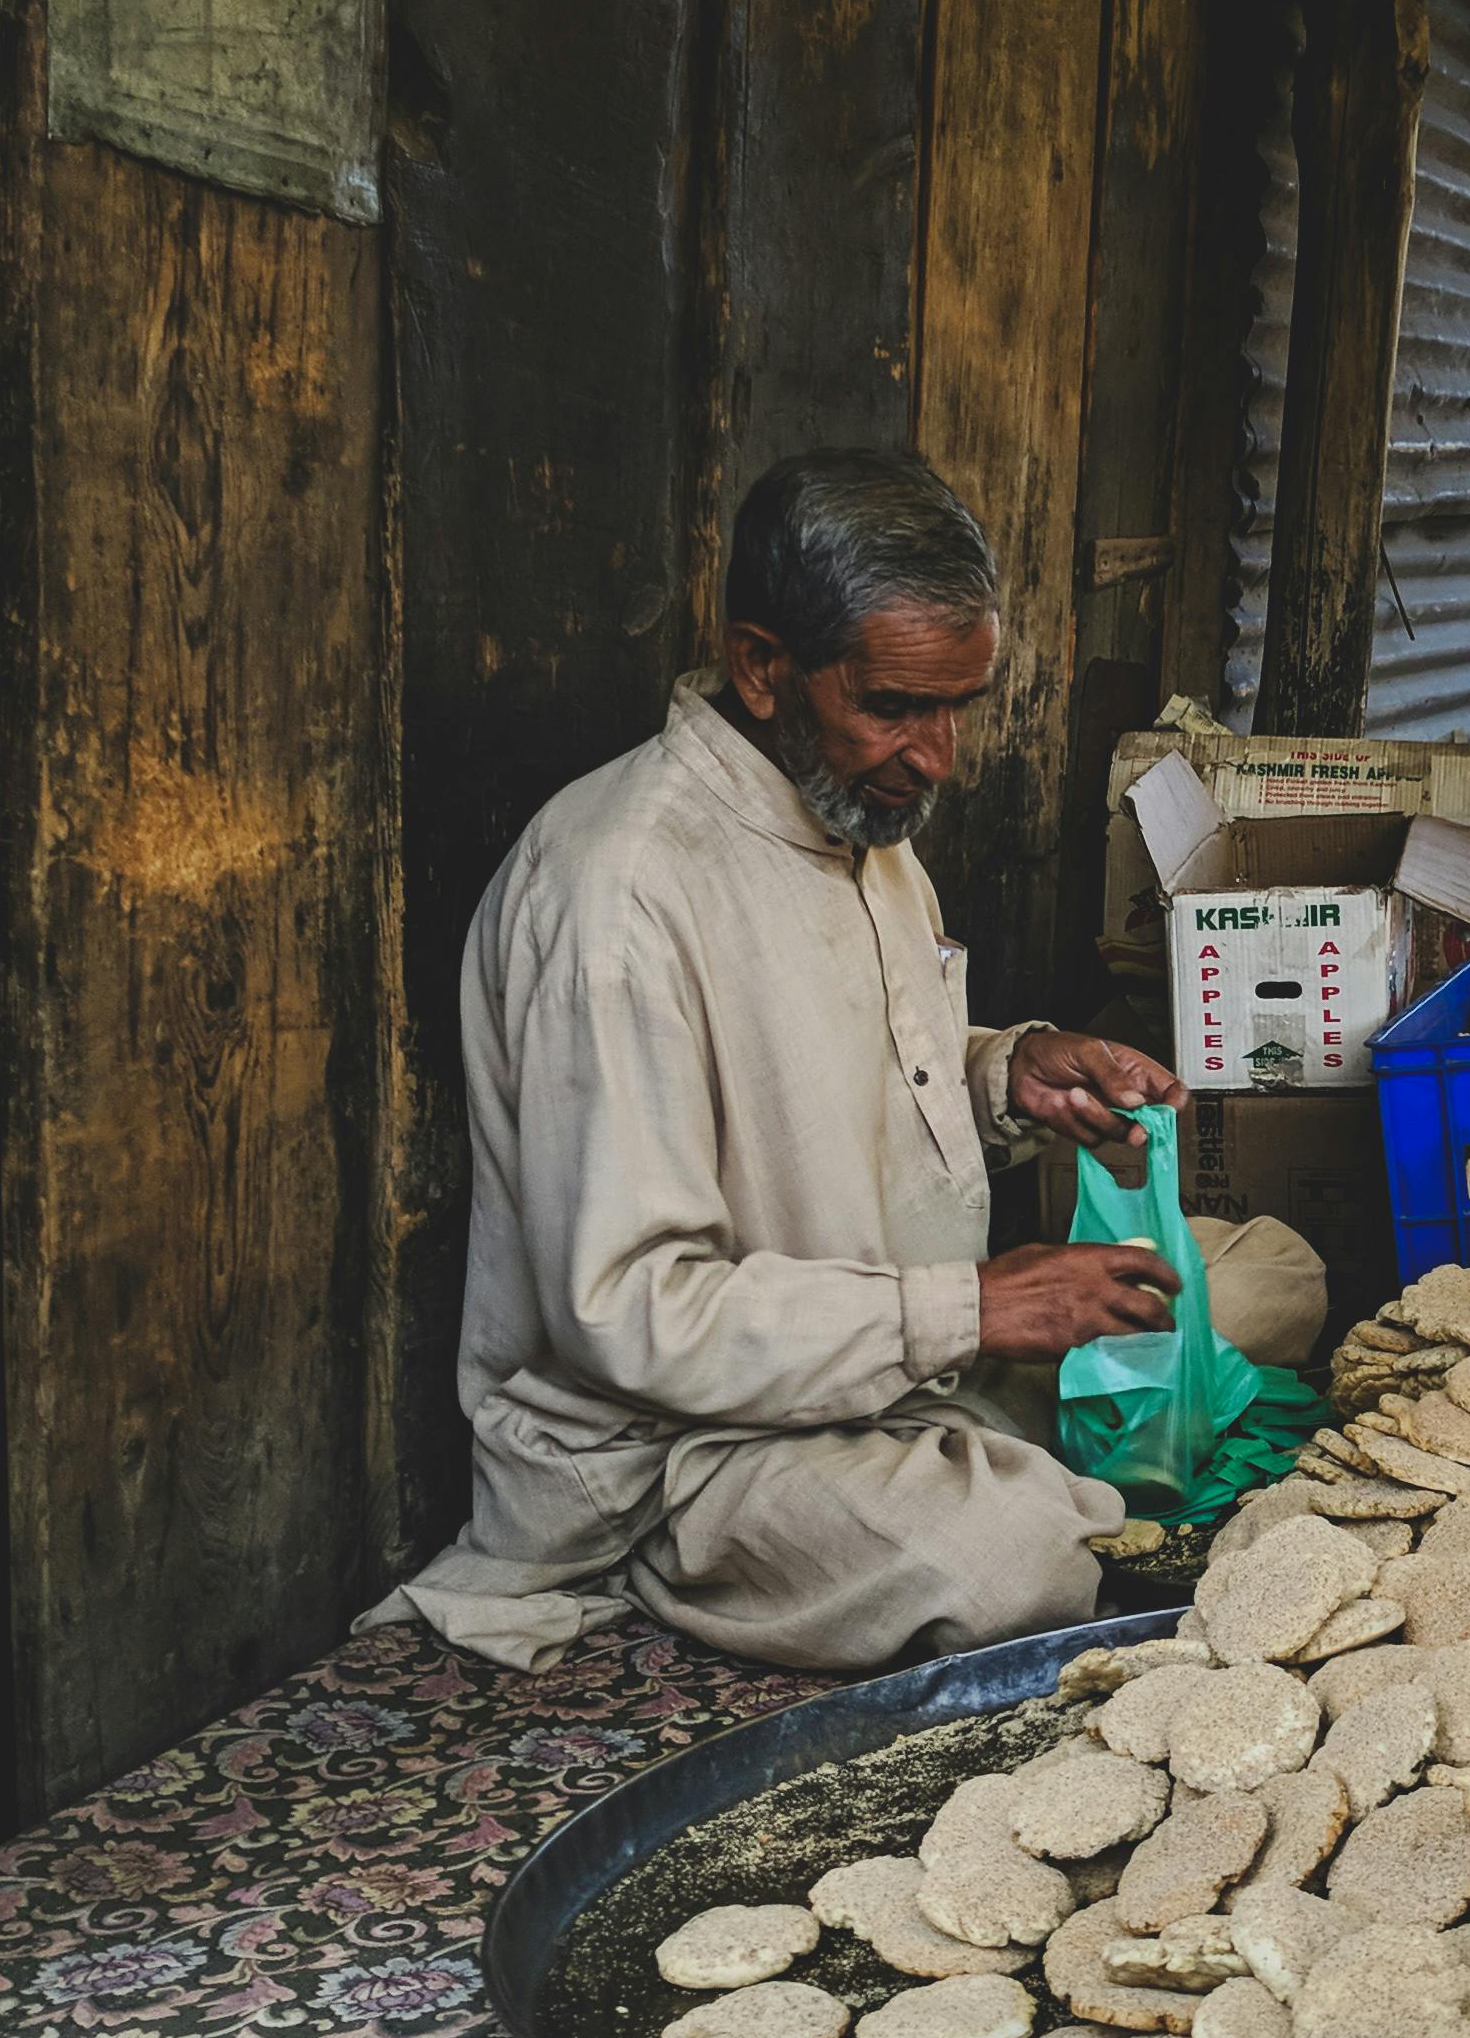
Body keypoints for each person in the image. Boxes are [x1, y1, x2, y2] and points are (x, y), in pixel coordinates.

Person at [366, 450, 1322, 1674]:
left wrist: (1009, 1072)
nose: (940, 757)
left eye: (957, 707)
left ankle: (1014, 1460)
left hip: (903, 1365)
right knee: (1009, 1561)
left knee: (1269, 1279)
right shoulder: (619, 895)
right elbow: (635, 1315)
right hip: (691, 1448)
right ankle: (1006, 1491)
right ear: (765, 668)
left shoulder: (859, 825)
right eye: (896, 707)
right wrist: (976, 1307)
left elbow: (847, 1071)